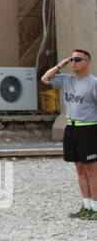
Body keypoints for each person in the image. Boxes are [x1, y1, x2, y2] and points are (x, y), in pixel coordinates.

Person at [41, 48, 97, 218]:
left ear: (87, 63)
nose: (73, 62)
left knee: (92, 170)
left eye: (77, 59)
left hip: (88, 128)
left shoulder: (93, 83)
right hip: (72, 128)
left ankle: (96, 208)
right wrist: (60, 65)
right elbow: (45, 78)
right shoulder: (66, 80)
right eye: (71, 59)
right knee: (79, 168)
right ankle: (86, 206)